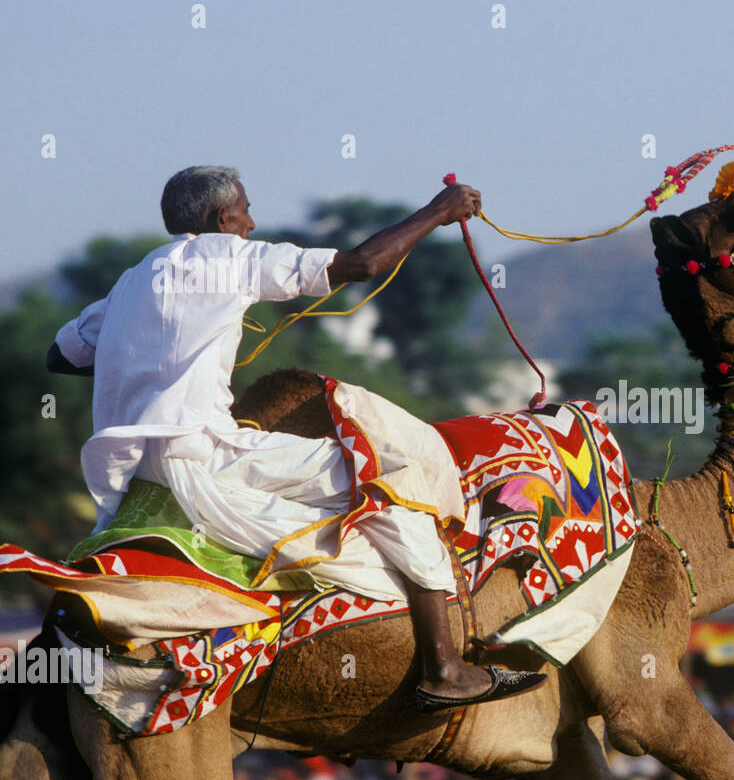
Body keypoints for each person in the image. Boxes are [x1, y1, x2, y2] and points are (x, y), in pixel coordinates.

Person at [47, 165, 545, 711]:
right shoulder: (230, 258)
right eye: (246, 211)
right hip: (207, 457)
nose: (252, 222)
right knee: (390, 473)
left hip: (136, 472)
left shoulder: (132, 280)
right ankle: (444, 668)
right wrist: (439, 211)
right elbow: (363, 263)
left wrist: (149, 366)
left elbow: (61, 354)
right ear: (222, 218)